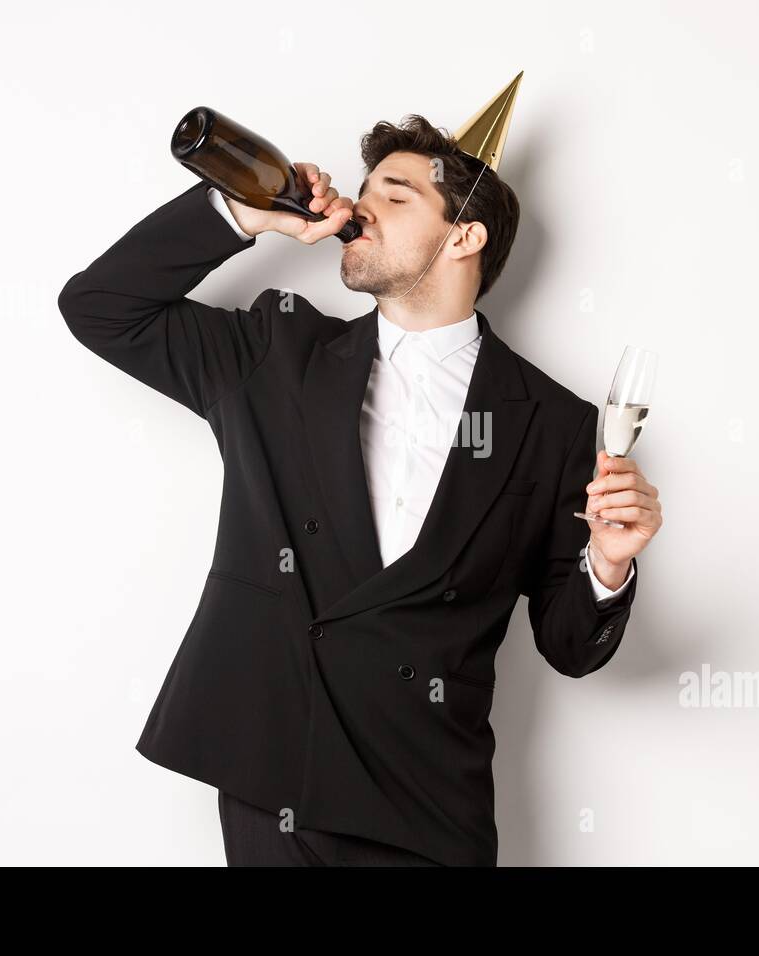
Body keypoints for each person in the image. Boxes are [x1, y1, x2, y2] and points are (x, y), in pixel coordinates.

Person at [57, 85, 663, 866]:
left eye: (395, 193)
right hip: (277, 772)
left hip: (429, 802)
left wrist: (609, 565)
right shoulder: (277, 354)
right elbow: (100, 307)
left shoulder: (554, 423)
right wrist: (245, 216)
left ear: (464, 236)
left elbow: (573, 646)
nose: (358, 206)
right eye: (364, 189)